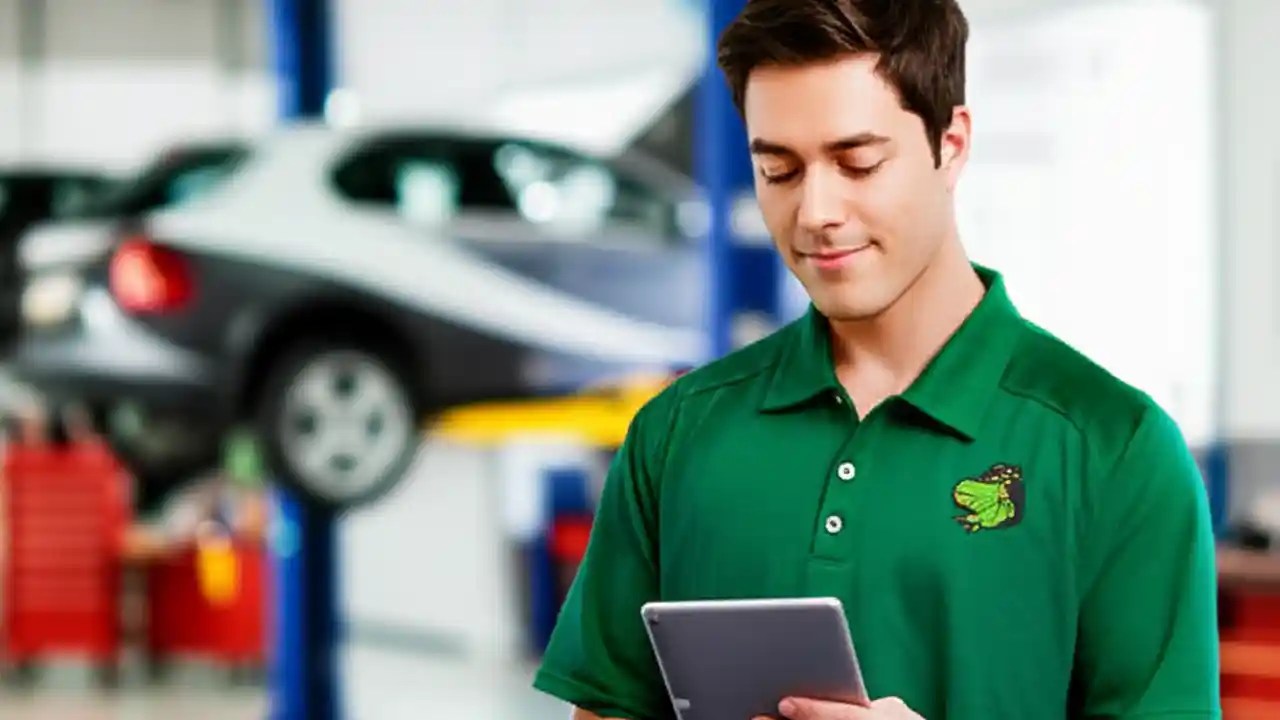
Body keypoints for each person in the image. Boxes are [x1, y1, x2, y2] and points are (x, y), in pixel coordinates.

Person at [532, 1, 1221, 718]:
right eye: (779, 170)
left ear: (950, 143)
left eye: (857, 163)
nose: (815, 210)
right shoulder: (677, 433)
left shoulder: (1115, 449)